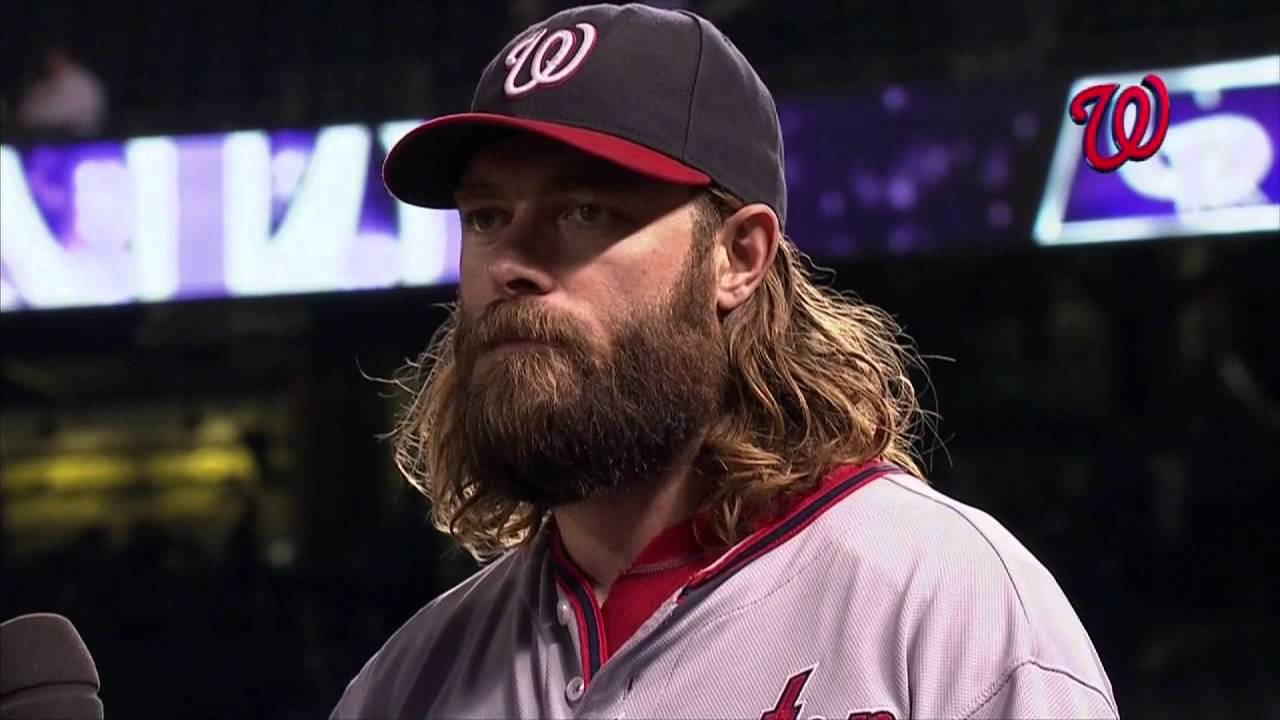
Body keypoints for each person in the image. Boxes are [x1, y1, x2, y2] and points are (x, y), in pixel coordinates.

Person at [332, 4, 1118, 719]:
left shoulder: (943, 600)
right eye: (487, 216)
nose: (511, 262)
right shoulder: (404, 688)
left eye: (583, 211)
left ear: (738, 256)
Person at [17, 43, 107, 139]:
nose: (51, 62)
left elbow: (89, 117)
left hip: (79, 140)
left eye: (56, 57)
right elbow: (26, 115)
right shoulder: (42, 86)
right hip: (41, 139)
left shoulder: (86, 84)